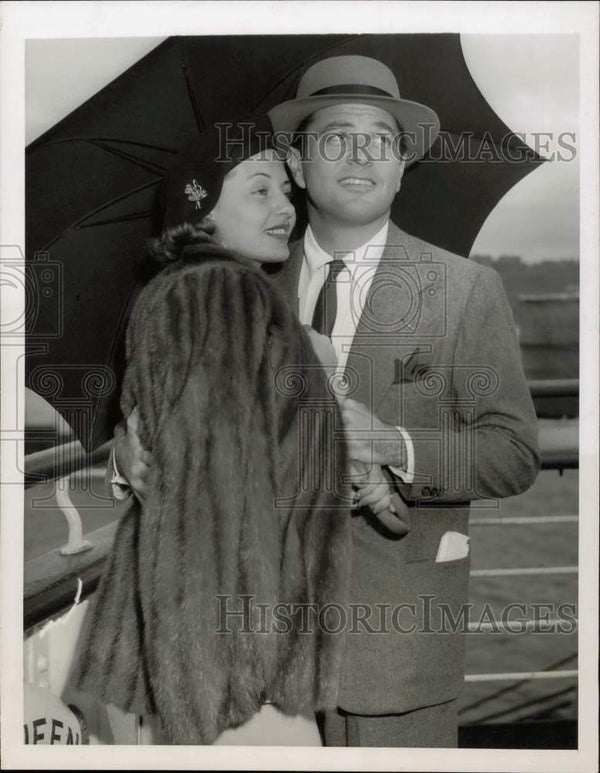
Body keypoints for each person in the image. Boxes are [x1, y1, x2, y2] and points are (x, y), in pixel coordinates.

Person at [262, 55, 541, 747]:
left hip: (400, 658)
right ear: (295, 166)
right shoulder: (242, 291)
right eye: (334, 136)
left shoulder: (464, 289)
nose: (359, 153)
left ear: (401, 163)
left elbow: (513, 454)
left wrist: (392, 443)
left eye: (380, 138)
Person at [73, 125, 357, 745]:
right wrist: (217, 688)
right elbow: (212, 496)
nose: (285, 207)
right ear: (199, 208)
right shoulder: (224, 292)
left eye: (285, 190)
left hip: (198, 658)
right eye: (259, 191)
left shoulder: (181, 290)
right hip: (230, 673)